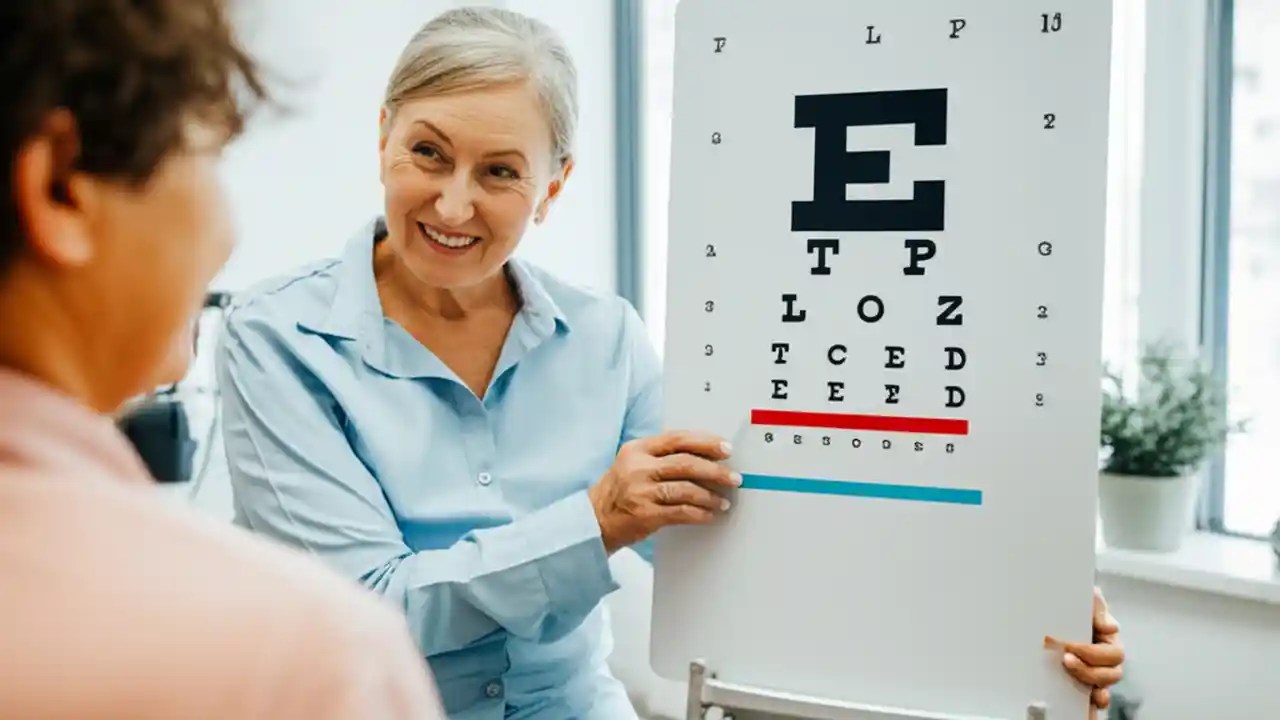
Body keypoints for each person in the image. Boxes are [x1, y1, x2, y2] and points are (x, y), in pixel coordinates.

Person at [217, 6, 1125, 719]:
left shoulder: (604, 337)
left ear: (554, 185)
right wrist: (594, 521)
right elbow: (367, 613)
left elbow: (742, 536)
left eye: (500, 172)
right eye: (428, 153)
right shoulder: (276, 340)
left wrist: (1010, 605)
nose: (454, 202)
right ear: (383, 135)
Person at [0, 1, 444, 717]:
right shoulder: (308, 662)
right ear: (60, 186)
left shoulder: (603, 333)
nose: (228, 233)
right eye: (211, 155)